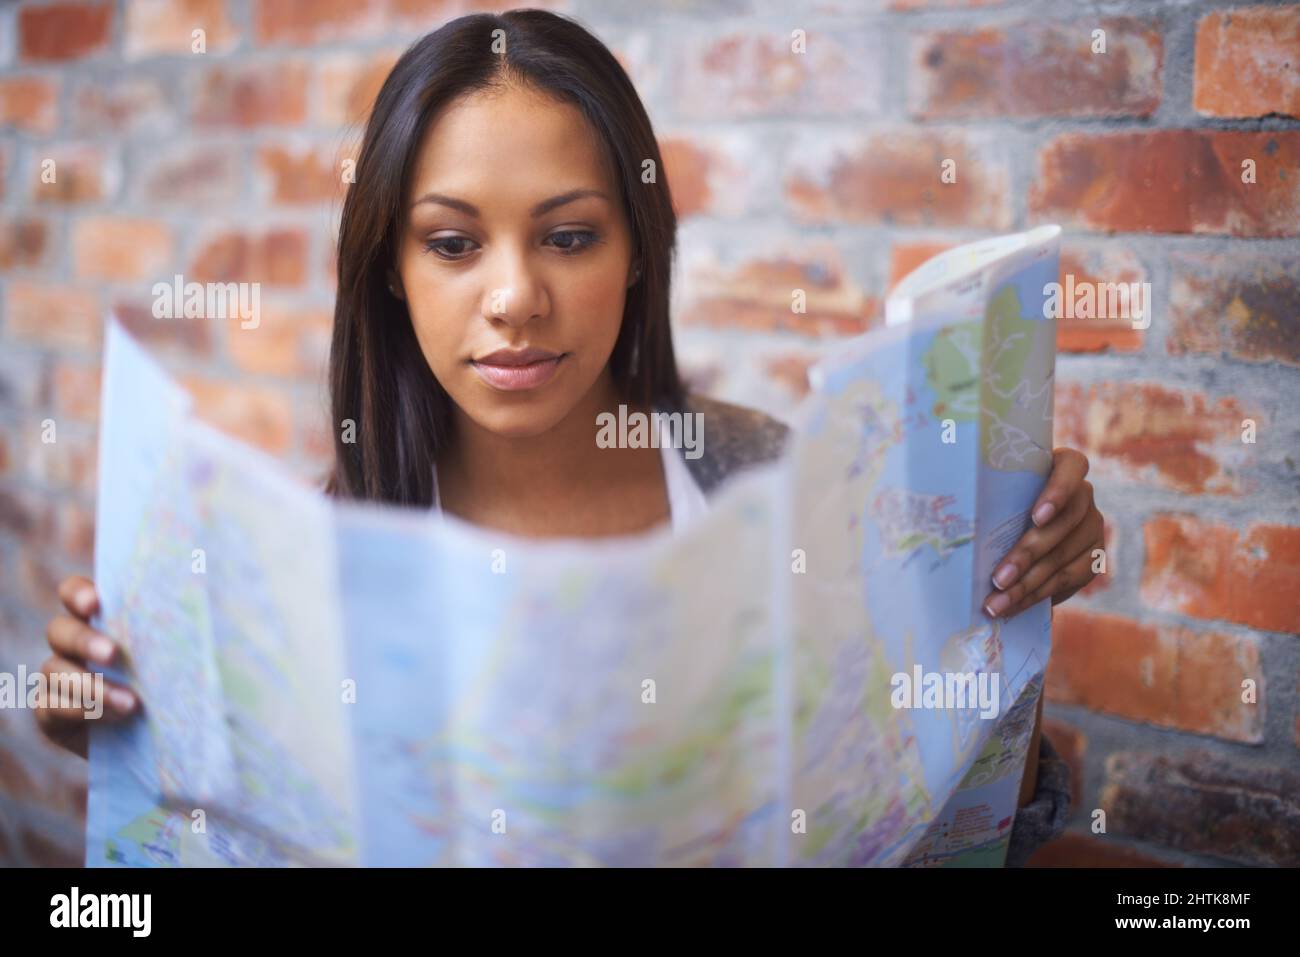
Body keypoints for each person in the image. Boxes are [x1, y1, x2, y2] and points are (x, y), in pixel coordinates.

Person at [36, 9, 1101, 865]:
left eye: (569, 236)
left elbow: (972, 826)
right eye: (452, 243)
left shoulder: (784, 486)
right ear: (392, 272)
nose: (514, 297)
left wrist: (1003, 608)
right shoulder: (301, 567)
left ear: (637, 252)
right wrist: (125, 737)